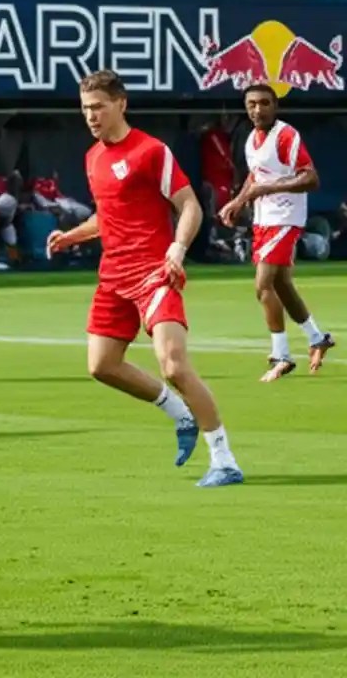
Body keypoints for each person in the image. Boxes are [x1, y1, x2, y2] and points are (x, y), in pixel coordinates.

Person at [47, 70, 243, 488]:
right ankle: (179, 413)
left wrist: (177, 249)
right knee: (102, 366)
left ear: (121, 104)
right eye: (85, 109)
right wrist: (72, 235)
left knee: (173, 364)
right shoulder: (93, 157)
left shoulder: (151, 151)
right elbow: (108, 216)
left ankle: (224, 460)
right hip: (113, 275)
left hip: (155, 272)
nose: (91, 116)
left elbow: (189, 206)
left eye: (98, 107)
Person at [218, 84, 334, 380]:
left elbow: (311, 178)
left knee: (263, 284)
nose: (258, 109)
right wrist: (238, 201)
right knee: (282, 284)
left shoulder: (285, 136)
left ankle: (281, 355)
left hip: (285, 217)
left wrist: (267, 189)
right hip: (264, 218)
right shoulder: (251, 139)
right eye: (252, 104)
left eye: (264, 103)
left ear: (275, 105)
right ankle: (317, 337)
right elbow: (255, 176)